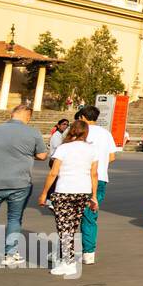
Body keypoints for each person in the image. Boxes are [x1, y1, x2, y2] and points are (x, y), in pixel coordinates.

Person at [0, 104, 49, 267]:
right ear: (28, 117)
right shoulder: (33, 132)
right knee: (14, 218)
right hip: (19, 183)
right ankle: (10, 254)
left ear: (12, 114)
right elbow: (42, 155)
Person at [37, 119, 97, 277]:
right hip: (83, 192)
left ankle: (68, 263)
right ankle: (67, 260)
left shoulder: (64, 148)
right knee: (72, 227)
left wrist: (44, 193)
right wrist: (94, 196)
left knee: (64, 228)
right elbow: (94, 174)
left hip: (65, 190)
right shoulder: (92, 150)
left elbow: (53, 172)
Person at [75, 105, 120, 265]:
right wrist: (100, 164)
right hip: (100, 178)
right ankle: (89, 253)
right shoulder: (105, 134)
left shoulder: (78, 131)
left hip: (79, 177)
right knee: (90, 216)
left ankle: (64, 251)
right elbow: (112, 157)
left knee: (70, 216)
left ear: (82, 117)